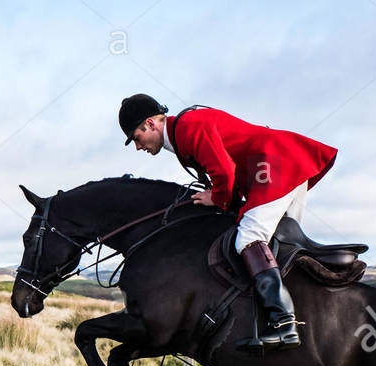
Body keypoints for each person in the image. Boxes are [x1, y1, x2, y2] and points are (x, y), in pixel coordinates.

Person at [119, 93, 338, 351]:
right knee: (279, 243)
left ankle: (285, 326)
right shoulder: (181, 133)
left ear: (151, 124)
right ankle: (303, 315)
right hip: (281, 162)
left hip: (274, 165)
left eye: (136, 137)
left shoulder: (188, 127)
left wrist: (218, 199)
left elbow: (224, 172)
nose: (138, 146)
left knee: (248, 238)